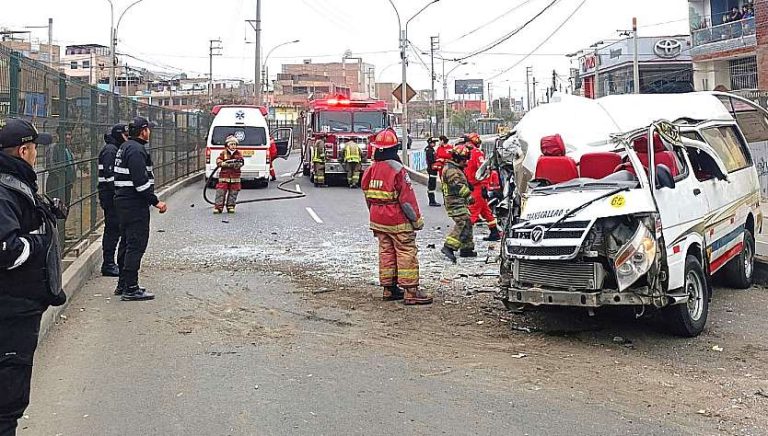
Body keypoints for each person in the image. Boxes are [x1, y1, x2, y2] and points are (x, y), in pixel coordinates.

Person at [0, 118, 67, 436]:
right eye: (35, 149)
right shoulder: (4, 190)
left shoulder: (14, 184)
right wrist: (41, 241)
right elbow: (6, 250)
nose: (37, 155)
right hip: (10, 311)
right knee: (6, 404)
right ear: (25, 150)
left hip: (16, 307)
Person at [361, 127, 431, 305]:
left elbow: (367, 194)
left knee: (386, 252)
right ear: (395, 149)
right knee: (406, 251)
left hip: (378, 219)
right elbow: (407, 199)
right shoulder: (398, 169)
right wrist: (416, 220)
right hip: (397, 220)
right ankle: (410, 292)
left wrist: (375, 213)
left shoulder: (371, 169)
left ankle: (388, 289)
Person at [113, 116, 167, 301]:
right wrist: (155, 201)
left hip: (123, 202)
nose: (149, 132)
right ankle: (131, 288)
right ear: (143, 131)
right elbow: (140, 182)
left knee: (126, 242)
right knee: (136, 244)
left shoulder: (125, 147)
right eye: (148, 129)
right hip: (134, 204)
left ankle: (122, 283)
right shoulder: (136, 150)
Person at [98, 124, 128, 277]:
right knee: (112, 229)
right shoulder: (110, 150)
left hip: (112, 195)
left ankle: (110, 262)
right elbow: (111, 177)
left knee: (115, 229)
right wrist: (119, 194)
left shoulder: (115, 148)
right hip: (110, 197)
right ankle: (108, 263)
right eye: (124, 134)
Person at [440, 143, 476, 263]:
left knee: (468, 222)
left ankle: (467, 248)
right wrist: (469, 196)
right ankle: (448, 246)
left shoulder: (454, 168)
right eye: (464, 160)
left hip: (458, 201)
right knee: (462, 222)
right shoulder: (451, 171)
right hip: (454, 202)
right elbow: (458, 185)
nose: (465, 163)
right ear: (457, 159)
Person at [464, 133, 501, 241]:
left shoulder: (476, 153)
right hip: (473, 186)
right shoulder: (469, 153)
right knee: (486, 212)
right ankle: (494, 233)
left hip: (477, 187)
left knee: (472, 213)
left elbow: (483, 170)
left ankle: (463, 237)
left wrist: (484, 186)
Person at [214, 135, 244, 214]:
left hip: (235, 177)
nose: (233, 146)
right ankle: (218, 207)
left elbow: (241, 162)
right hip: (224, 177)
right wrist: (223, 163)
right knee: (220, 192)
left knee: (233, 192)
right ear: (227, 145)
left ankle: (231, 206)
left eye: (235, 144)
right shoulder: (223, 153)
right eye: (232, 144)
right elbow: (218, 160)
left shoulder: (239, 154)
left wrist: (237, 164)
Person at [424, 137, 441, 207]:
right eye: (434, 142)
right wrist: (438, 161)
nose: (435, 144)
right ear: (430, 142)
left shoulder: (430, 149)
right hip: (432, 169)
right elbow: (431, 160)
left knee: (432, 184)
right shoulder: (429, 150)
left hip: (432, 169)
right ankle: (432, 201)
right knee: (432, 185)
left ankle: (432, 200)